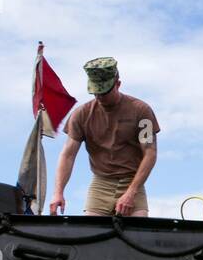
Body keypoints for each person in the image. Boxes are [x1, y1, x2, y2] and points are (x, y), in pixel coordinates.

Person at [49, 57, 159, 217]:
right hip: (101, 182)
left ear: (118, 84)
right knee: (91, 232)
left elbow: (150, 153)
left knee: (138, 230)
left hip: (132, 181)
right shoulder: (81, 114)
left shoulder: (141, 111)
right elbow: (68, 155)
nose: (100, 97)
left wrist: (131, 192)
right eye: (96, 92)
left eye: (105, 92)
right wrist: (58, 192)